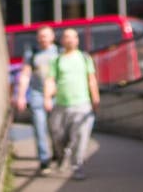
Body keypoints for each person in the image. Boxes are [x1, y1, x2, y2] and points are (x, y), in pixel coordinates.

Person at [43, 28, 99, 180]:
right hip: (61, 104)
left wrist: (95, 98)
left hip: (82, 104)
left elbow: (91, 79)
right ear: (62, 41)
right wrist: (47, 97)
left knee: (80, 136)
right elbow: (50, 80)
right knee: (57, 135)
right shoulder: (57, 60)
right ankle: (62, 157)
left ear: (77, 40)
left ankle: (77, 166)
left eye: (72, 37)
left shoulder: (84, 58)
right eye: (66, 37)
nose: (69, 40)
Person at [13, 26, 59, 174]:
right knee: (39, 128)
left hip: (56, 95)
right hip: (37, 95)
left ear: (52, 37)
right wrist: (20, 96)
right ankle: (44, 161)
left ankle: (58, 155)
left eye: (46, 35)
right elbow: (25, 75)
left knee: (57, 129)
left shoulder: (59, 52)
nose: (43, 38)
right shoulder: (32, 53)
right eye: (40, 36)